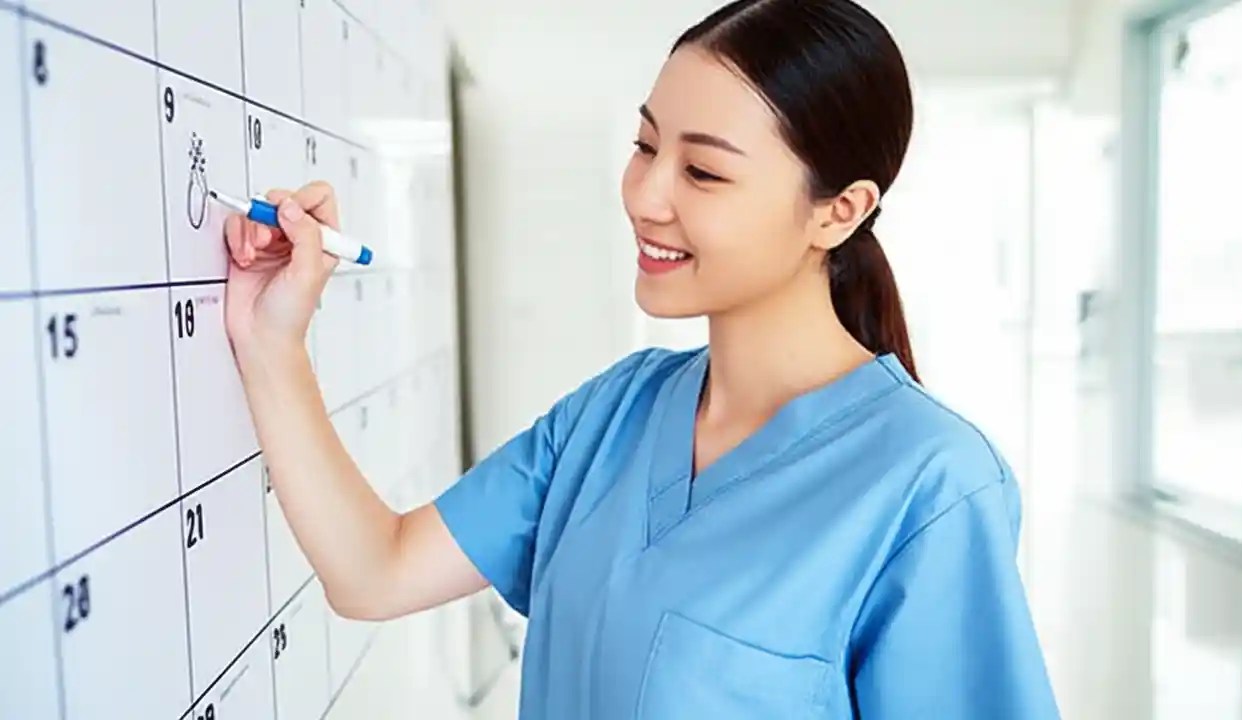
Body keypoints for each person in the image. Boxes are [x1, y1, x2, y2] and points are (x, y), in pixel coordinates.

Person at [222, 0, 1061, 717]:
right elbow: (375, 572)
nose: (645, 195)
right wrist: (273, 340)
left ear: (838, 212)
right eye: (645, 145)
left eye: (702, 171)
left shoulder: (931, 485)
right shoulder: (614, 416)